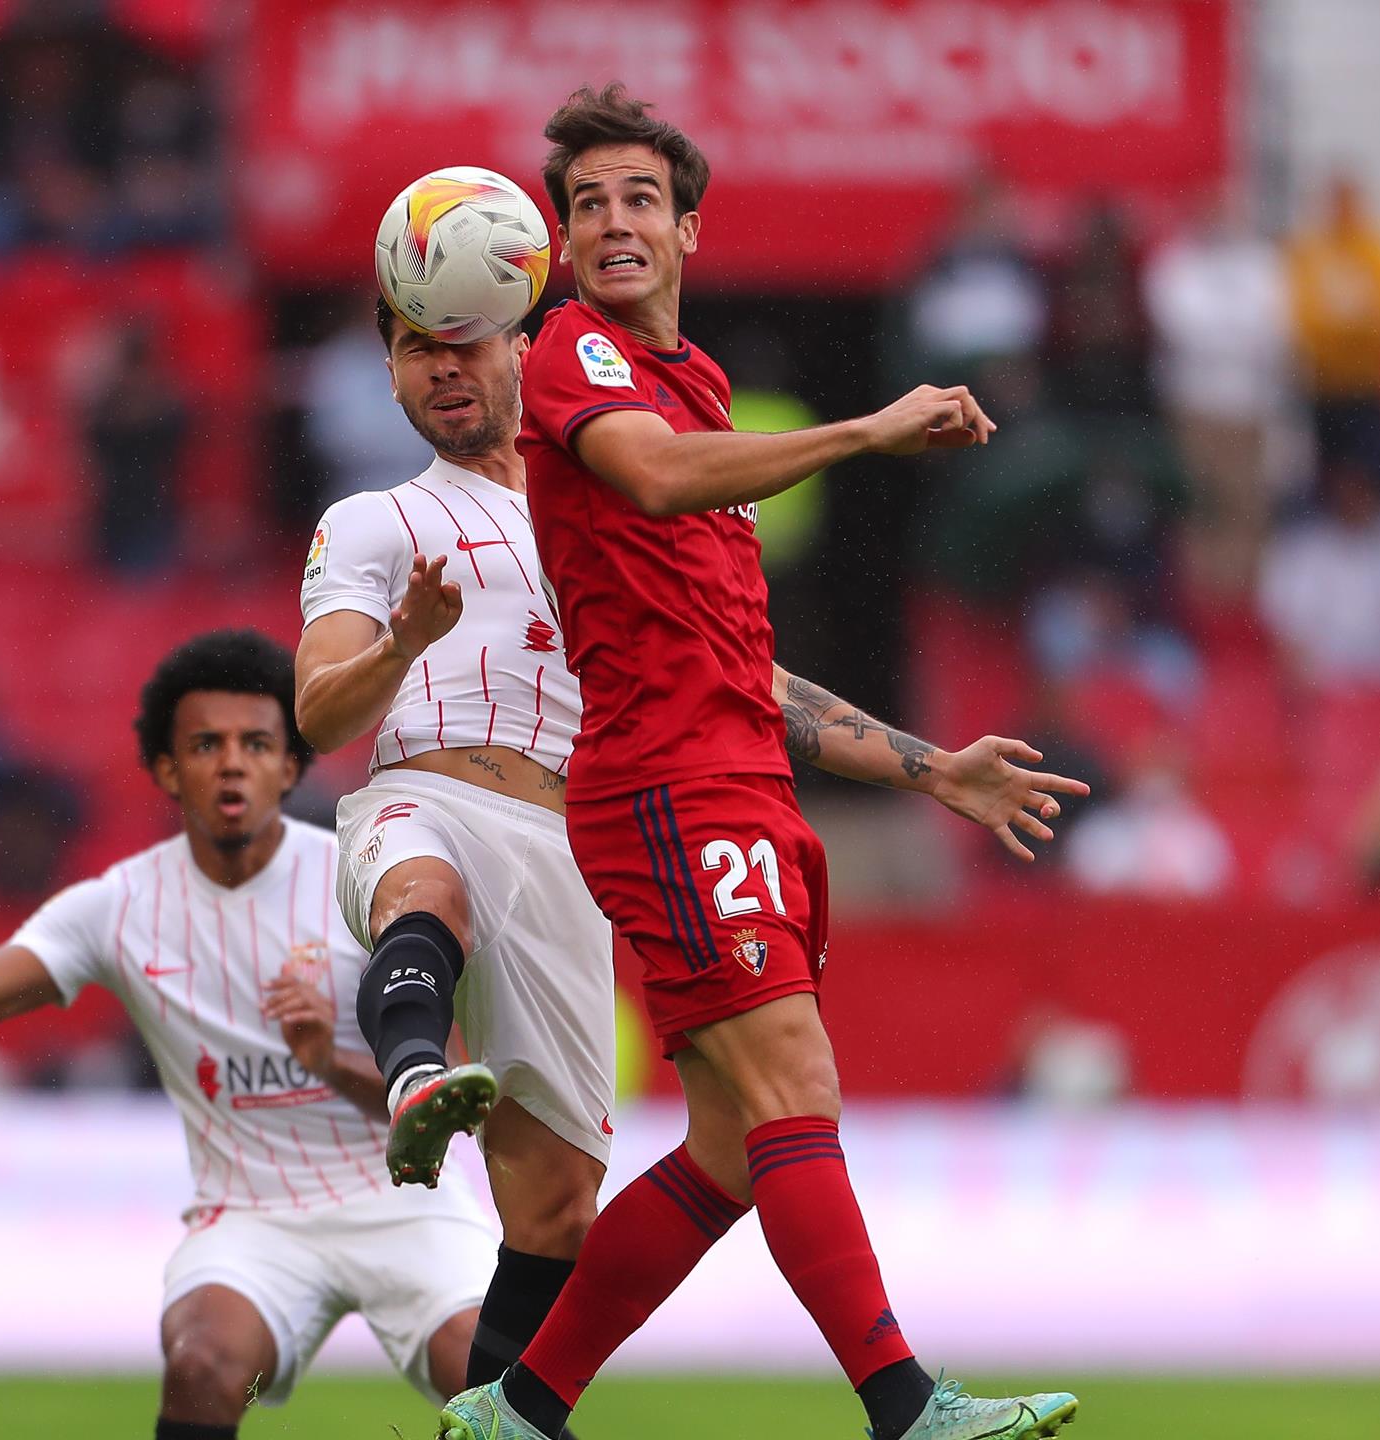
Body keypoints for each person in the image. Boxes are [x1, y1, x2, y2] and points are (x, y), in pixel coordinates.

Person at [438, 85, 1086, 1440]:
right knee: (799, 1091)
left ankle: (520, 1408)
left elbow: (748, 666)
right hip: (665, 789)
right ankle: (905, 1408)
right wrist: (866, 431)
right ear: (562, 241)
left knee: (735, 1148)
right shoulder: (570, 353)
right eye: (587, 205)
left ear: (688, 229)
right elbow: (657, 478)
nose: (614, 223)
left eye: (640, 199)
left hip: (735, 779)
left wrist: (930, 770)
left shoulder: (701, 388)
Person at [0, 630, 493, 1440]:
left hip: (403, 1198)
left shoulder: (364, 881)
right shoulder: (123, 905)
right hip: (252, 1218)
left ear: (288, 767)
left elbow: (443, 1099)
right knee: (204, 1363)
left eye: (255, 744)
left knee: (488, 1382)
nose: (231, 765)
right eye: (205, 745)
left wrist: (327, 1062)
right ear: (167, 771)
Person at [294, 296, 614, 1404]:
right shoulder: (372, 521)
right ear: (388, 374)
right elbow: (319, 715)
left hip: (566, 851)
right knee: (427, 891)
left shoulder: (604, 520)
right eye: (413, 349)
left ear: (522, 349)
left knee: (558, 1213)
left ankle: (493, 1427)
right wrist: (403, 645)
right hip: (420, 796)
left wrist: (929, 770)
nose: (439, 369)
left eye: (461, 344)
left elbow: (741, 677)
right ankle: (416, 1076)